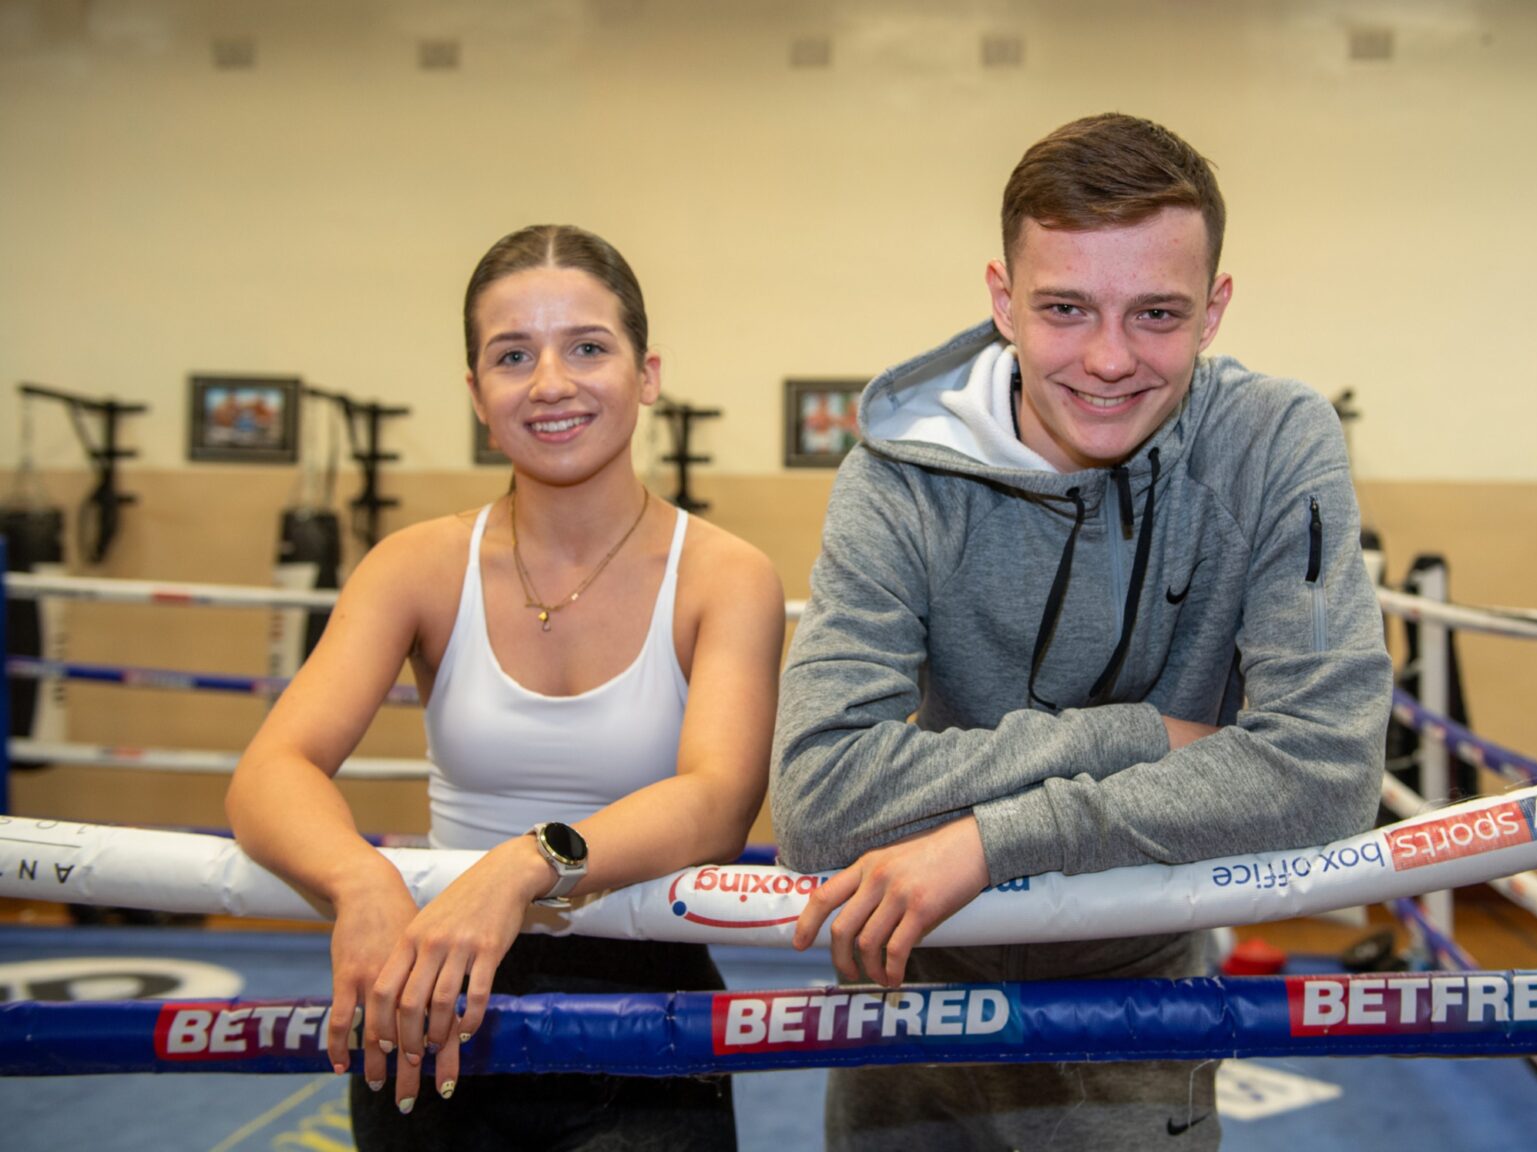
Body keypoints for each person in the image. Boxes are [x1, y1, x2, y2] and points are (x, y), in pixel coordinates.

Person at [771, 113, 1393, 1149]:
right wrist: (1142, 733)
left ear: (1215, 309)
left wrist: (995, 839)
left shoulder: (1274, 444)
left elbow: (1327, 774)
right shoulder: (899, 470)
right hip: (913, 974)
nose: (1110, 359)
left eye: (1157, 313)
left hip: (1137, 991)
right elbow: (823, 800)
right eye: (1065, 308)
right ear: (1002, 301)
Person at [228, 224, 785, 1150]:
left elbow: (718, 801)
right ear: (477, 394)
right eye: (513, 355)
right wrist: (361, 883)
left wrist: (524, 866)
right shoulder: (415, 564)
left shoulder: (723, 574)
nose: (551, 383)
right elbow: (271, 769)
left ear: (647, 374)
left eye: (588, 347)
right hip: (433, 999)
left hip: (642, 1011)